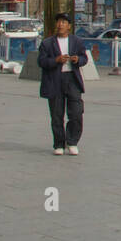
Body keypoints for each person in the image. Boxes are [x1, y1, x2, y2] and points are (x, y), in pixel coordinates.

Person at [38, 13, 87, 155]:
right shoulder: (47, 43)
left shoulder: (76, 41)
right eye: (59, 22)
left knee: (76, 112)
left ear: (69, 26)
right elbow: (41, 61)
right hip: (55, 80)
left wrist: (78, 59)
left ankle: (72, 141)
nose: (60, 25)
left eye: (64, 22)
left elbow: (84, 57)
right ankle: (59, 143)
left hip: (72, 79)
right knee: (57, 114)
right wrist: (56, 60)